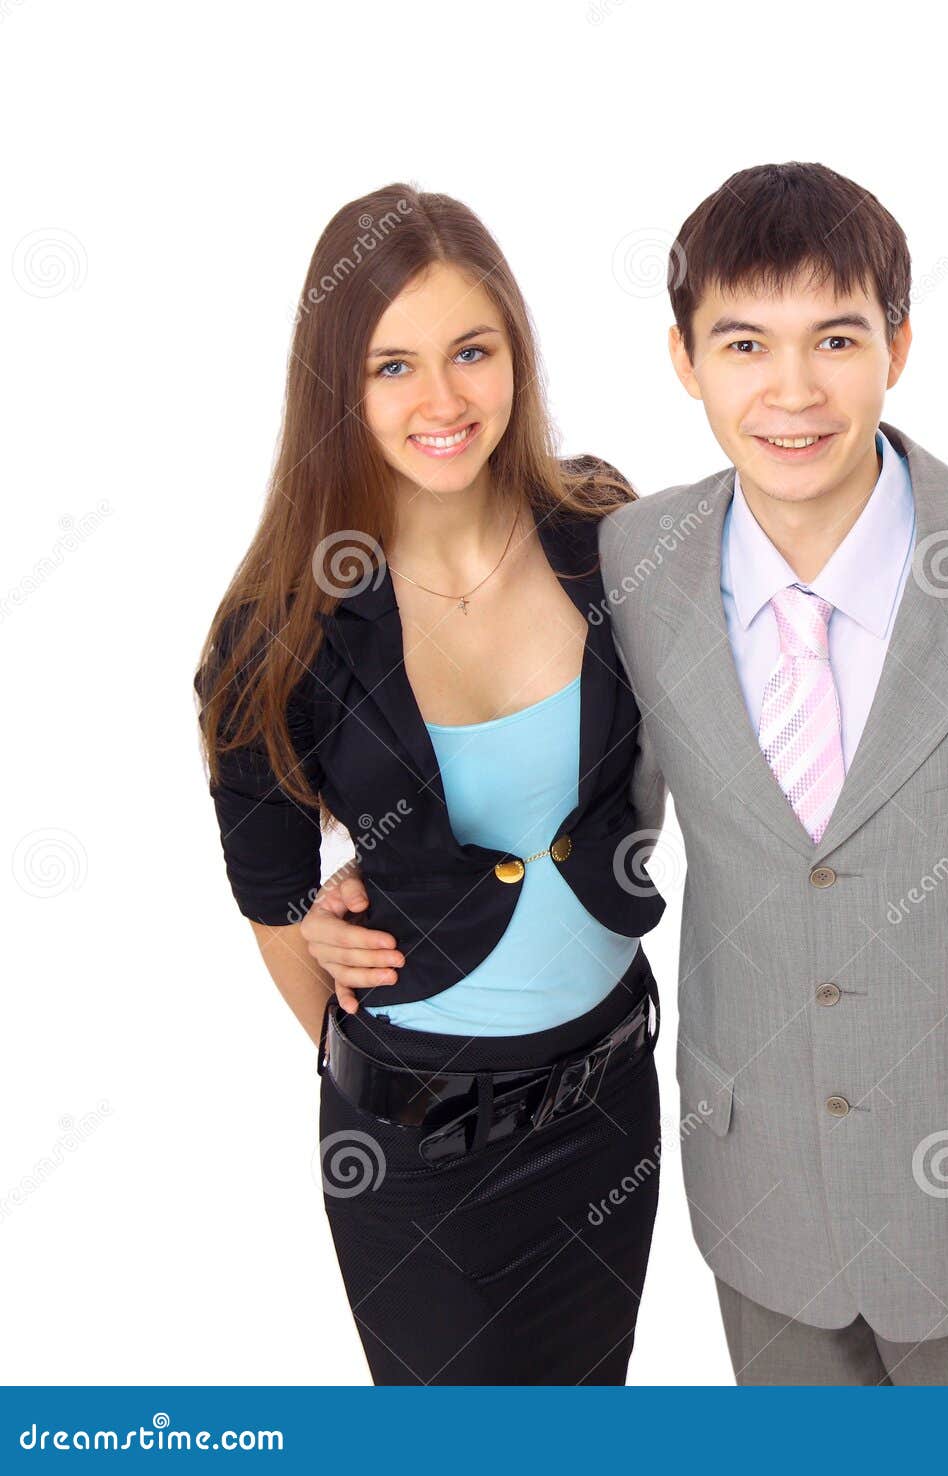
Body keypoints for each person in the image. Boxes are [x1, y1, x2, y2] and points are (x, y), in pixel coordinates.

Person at [302, 162, 948, 1385]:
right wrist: (360, 893)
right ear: (684, 361)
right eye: (744, 343)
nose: (791, 392)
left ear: (898, 345)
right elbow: (561, 788)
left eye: (835, 339)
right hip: (760, 1196)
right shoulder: (636, 563)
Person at [194, 185, 665, 1385]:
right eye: (392, 366)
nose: (442, 400)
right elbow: (272, 907)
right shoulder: (278, 626)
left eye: (471, 351)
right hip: (414, 1152)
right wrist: (403, 1095)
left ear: (516, 355)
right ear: (336, 391)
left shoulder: (604, 529)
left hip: (612, 1103)